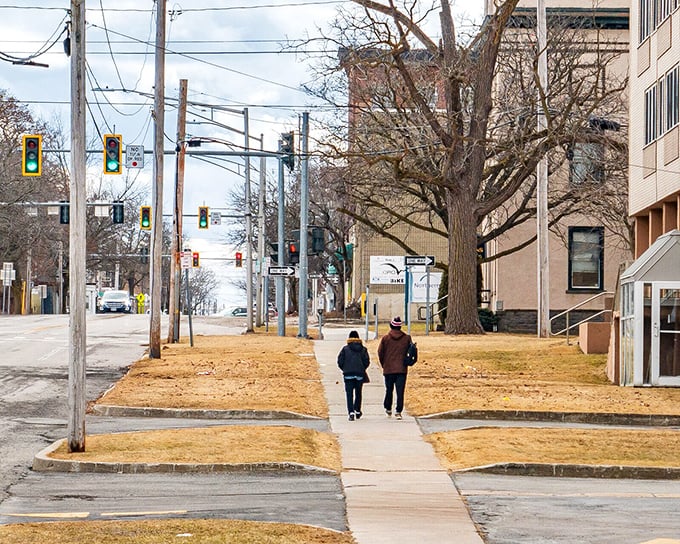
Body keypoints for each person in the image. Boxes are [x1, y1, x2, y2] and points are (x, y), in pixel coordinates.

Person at [377, 316, 412, 420]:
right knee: (400, 391)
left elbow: (380, 352)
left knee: (389, 389)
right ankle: (398, 411)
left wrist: (384, 364)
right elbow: (410, 351)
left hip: (388, 369)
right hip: (401, 369)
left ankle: (388, 408)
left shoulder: (385, 338)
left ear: (391, 325)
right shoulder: (407, 338)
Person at [337, 330, 370, 421]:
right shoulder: (363, 349)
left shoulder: (345, 349)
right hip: (359, 374)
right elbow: (367, 361)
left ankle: (351, 412)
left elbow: (340, 361)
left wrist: (344, 369)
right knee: (358, 393)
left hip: (348, 374)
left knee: (349, 393)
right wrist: (362, 368)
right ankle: (358, 410)